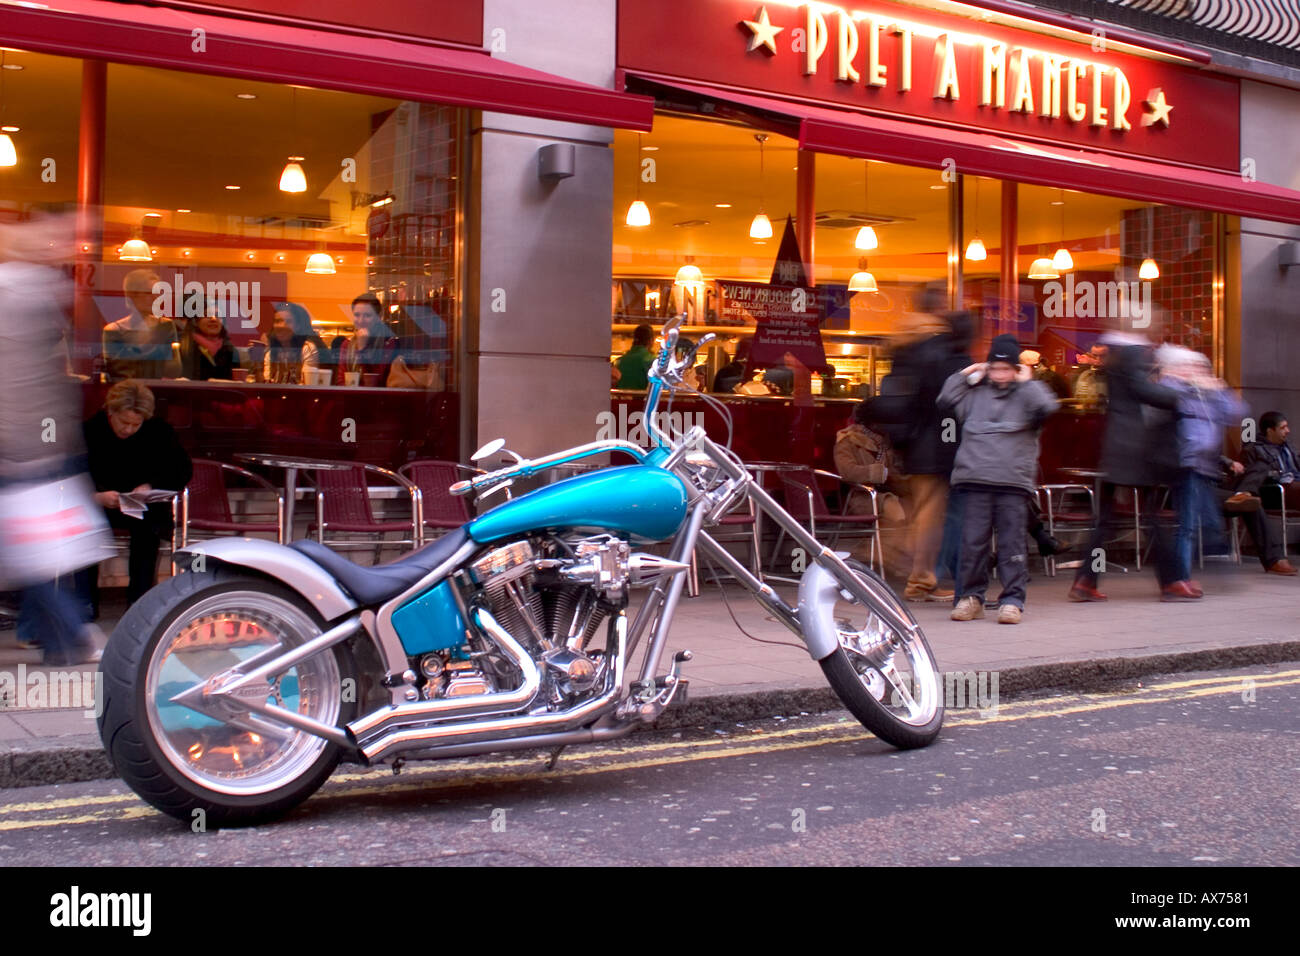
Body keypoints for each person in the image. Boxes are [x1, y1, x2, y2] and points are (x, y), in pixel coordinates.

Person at [0, 215, 105, 665]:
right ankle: (65, 638)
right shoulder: (32, 293)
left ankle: (65, 637)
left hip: (21, 448)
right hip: (31, 447)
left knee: (33, 551)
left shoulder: (18, 291)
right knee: (37, 553)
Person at [940, 335, 1059, 624]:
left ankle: (1012, 600)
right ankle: (970, 598)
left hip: (1012, 482)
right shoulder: (974, 394)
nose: (1000, 374)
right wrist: (967, 372)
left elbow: (1049, 406)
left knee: (1012, 544)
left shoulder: (1028, 395)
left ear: (1016, 369)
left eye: (1006, 369)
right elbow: (945, 399)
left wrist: (1028, 380)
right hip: (974, 477)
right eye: (995, 368)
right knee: (973, 543)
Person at [1068, 330, 1188, 602]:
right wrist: (1178, 392)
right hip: (1134, 450)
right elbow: (1144, 391)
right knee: (1151, 518)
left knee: (1106, 520)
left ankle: (1085, 581)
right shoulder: (1131, 355)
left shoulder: (1114, 359)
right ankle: (1171, 582)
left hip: (1116, 449)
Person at [864, 306, 972, 603]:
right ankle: (917, 578)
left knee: (920, 512)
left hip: (909, 446)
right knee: (929, 517)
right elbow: (943, 402)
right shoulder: (936, 355)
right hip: (934, 448)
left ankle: (915, 572)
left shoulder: (902, 355)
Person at [82, 381, 193, 607]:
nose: (129, 429)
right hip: (99, 503)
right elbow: (73, 476)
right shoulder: (90, 431)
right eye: (124, 422)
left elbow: (182, 470)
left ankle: (138, 602)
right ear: (110, 412)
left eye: (136, 424)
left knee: (147, 531)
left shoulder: (159, 431)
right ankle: (86, 604)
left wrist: (150, 486)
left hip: (143, 508)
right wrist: (97, 497)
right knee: (86, 528)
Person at [1157, 345, 1247, 593]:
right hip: (1186, 464)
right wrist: (1178, 377)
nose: (1197, 371)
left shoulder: (1205, 394)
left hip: (1205, 466)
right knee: (1187, 524)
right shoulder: (1173, 387)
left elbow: (1236, 412)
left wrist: (1220, 390)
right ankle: (1180, 578)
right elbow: (1165, 396)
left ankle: (1188, 573)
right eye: (1192, 366)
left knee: (1203, 521)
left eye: (1200, 367)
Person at [835, 402, 908, 573]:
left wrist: (901, 479)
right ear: (872, 422)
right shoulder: (847, 441)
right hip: (862, 497)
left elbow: (895, 471)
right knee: (894, 510)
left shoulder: (885, 442)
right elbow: (847, 472)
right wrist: (878, 473)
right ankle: (874, 554)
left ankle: (876, 553)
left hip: (887, 492)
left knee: (916, 509)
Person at [1217, 455, 1295, 574]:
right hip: (1201, 489)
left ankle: (1244, 493)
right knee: (1251, 504)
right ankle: (1273, 559)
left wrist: (1230, 463)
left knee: (1260, 465)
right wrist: (1227, 462)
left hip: (1221, 482)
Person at [101, 269, 180, 380]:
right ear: (132, 295)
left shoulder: (166, 326)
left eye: (157, 293)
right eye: (149, 293)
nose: (155, 298)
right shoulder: (114, 330)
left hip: (161, 392)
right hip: (129, 393)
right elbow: (117, 373)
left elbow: (174, 370)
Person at [337, 292, 398, 385]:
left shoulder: (388, 343)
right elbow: (341, 381)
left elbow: (376, 382)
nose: (361, 320)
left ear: (378, 317)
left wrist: (362, 350)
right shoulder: (347, 344)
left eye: (367, 315)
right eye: (357, 315)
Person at [263, 302, 325, 384]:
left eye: (288, 322)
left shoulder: (307, 349)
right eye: (278, 321)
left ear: (298, 326)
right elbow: (267, 383)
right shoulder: (271, 353)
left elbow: (307, 385)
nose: (282, 326)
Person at [180, 304, 238, 381]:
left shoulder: (231, 351)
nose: (213, 319)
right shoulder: (183, 348)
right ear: (196, 321)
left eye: (218, 315)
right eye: (207, 315)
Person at [616, 323, 655, 390]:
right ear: (650, 341)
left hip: (620, 399)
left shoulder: (619, 361)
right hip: (641, 399)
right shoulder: (652, 361)